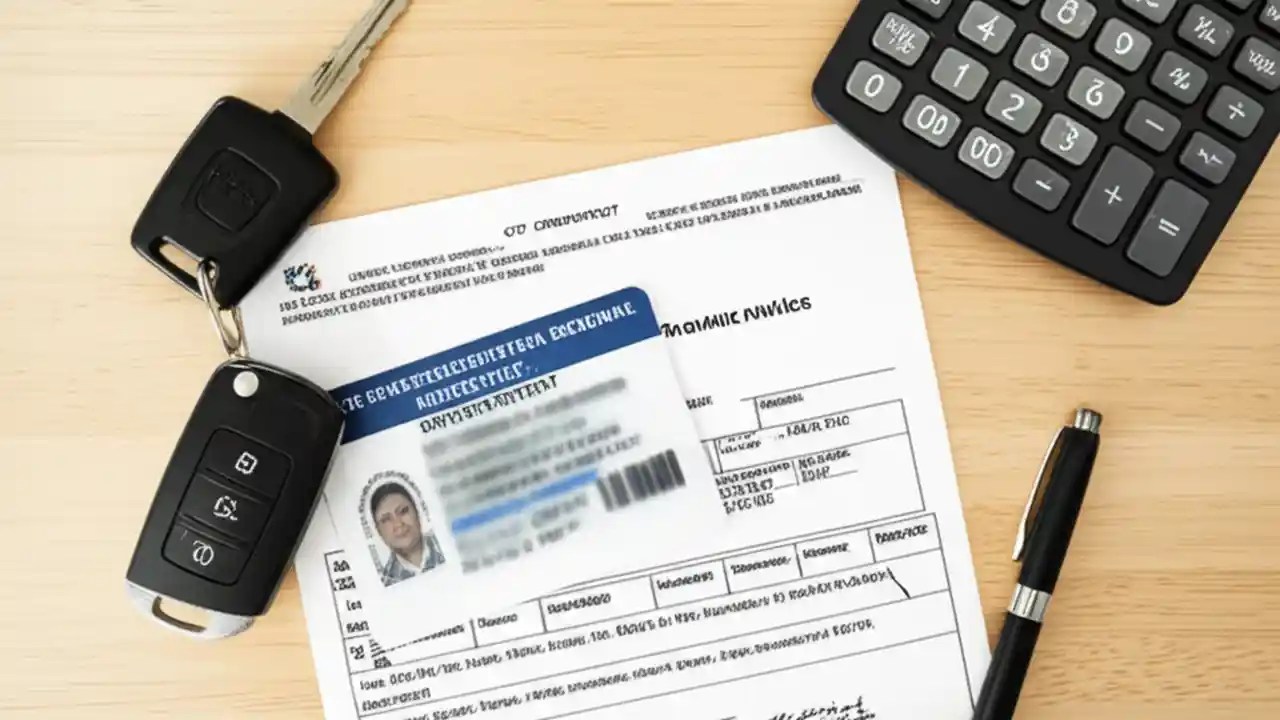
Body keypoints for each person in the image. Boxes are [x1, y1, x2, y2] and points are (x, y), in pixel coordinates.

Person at [370, 482, 445, 586]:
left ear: (417, 512)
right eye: (386, 519)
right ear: (379, 531)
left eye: (403, 511)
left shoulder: (446, 544)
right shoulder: (387, 580)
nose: (398, 524)